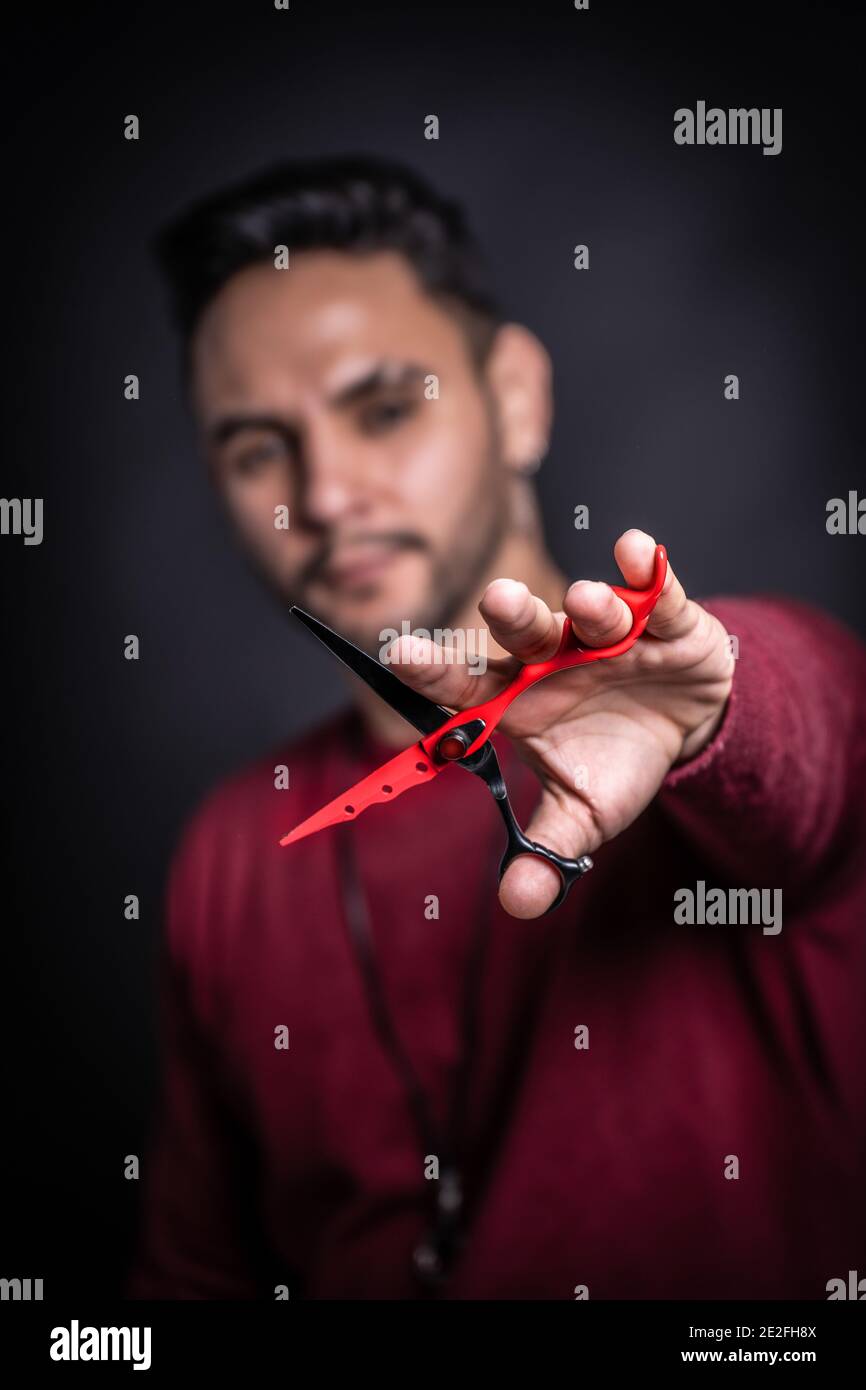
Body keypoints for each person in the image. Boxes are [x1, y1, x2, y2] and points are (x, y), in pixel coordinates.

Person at [128, 156, 866, 1300]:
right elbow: (192, 1276)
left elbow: (812, 732)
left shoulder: (703, 732)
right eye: (257, 448)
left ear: (515, 395)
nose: (323, 495)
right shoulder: (230, 852)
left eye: (381, 409)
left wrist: (713, 714)